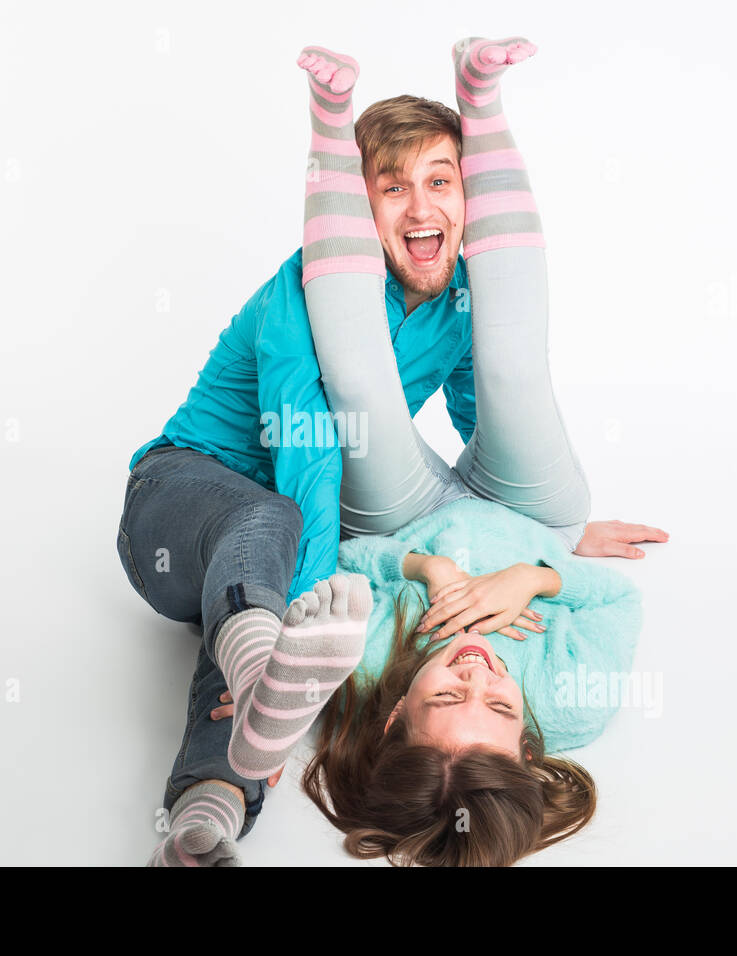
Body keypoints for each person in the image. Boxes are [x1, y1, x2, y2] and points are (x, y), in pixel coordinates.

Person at [117, 37, 665, 867]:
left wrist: (548, 531)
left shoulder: (455, 295)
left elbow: (484, 409)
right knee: (271, 526)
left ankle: (208, 814)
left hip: (305, 534)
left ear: (468, 198)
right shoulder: (306, 298)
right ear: (355, 208)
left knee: (273, 632)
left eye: (441, 183)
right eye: (392, 188)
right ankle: (267, 652)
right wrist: (310, 605)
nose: (420, 210)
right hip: (183, 497)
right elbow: (307, 457)